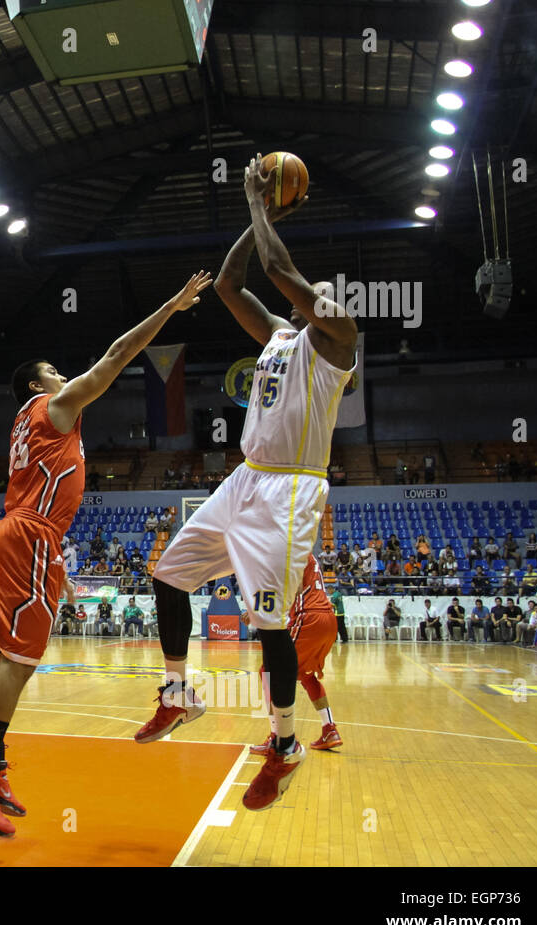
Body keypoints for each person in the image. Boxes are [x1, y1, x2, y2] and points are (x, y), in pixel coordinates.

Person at [0, 270, 212, 837]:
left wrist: (57, 566)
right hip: (30, 537)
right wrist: (170, 304)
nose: (64, 375)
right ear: (38, 385)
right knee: (18, 660)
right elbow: (116, 355)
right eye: (54, 371)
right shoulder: (52, 407)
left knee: (6, 657)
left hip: (30, 539)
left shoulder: (32, 423)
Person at [135, 156, 358, 814]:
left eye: (316, 298)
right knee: (168, 574)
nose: (309, 303)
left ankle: (286, 742)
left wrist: (262, 207)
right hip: (245, 478)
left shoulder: (338, 336)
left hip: (290, 490)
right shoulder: (281, 337)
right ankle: (178, 693)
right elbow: (234, 283)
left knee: (267, 619)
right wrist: (254, 212)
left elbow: (281, 272)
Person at [249, 555, 342, 754]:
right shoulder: (305, 552)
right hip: (327, 620)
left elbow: (292, 589)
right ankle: (329, 729)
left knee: (268, 671)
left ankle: (277, 737)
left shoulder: (290, 550)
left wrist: (257, 610)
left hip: (309, 617)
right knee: (306, 675)